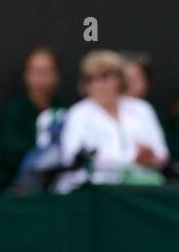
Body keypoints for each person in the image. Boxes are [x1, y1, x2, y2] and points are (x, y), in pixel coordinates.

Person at [53, 49, 169, 192]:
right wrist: (132, 158)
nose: (97, 85)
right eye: (90, 79)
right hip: (94, 192)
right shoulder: (78, 113)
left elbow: (161, 154)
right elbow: (72, 156)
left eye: (104, 77)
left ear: (120, 79)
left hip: (140, 190)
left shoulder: (142, 109)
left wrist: (151, 157)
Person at [0, 47, 65, 190]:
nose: (39, 76)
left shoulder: (65, 109)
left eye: (45, 71)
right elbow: (11, 156)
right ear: (26, 75)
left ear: (56, 75)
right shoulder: (14, 111)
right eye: (34, 71)